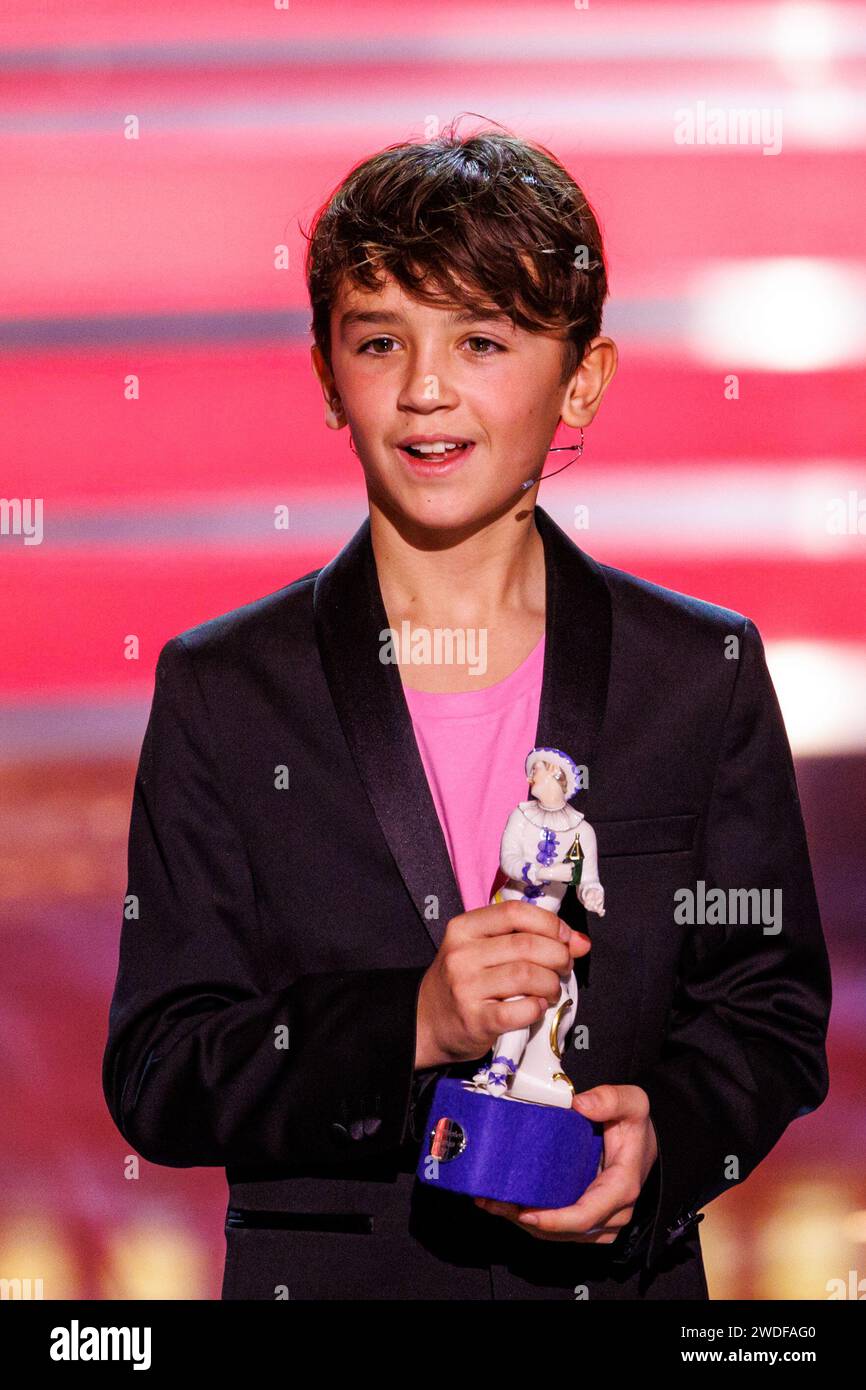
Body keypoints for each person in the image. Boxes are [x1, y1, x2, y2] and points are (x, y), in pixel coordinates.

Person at [102, 123, 832, 1301]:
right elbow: (159, 1069)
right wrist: (413, 1021)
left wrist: (660, 1150)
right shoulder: (225, 690)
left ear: (581, 376)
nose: (425, 388)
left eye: (481, 340)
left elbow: (768, 1012)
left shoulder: (697, 672)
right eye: (380, 340)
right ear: (324, 373)